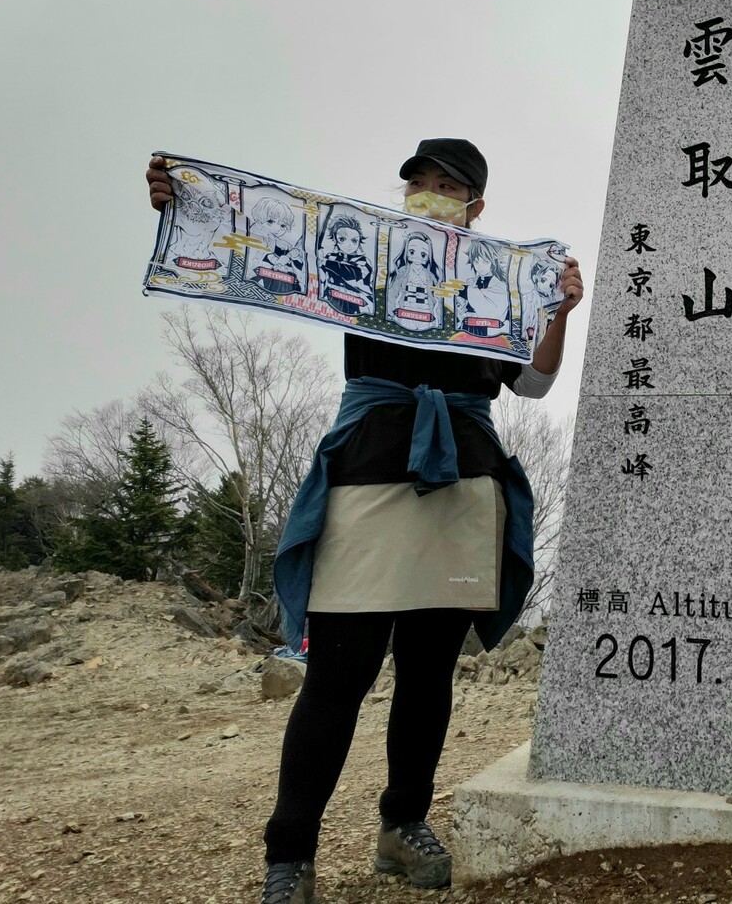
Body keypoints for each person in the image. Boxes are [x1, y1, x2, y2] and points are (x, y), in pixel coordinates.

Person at [145, 138, 583, 903]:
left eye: (447, 184)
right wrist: (186, 200)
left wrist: (559, 308)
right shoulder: (366, 252)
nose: (429, 194)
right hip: (369, 471)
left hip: (464, 481)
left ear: (477, 204)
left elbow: (537, 383)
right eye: (418, 182)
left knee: (427, 675)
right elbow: (253, 238)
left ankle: (402, 825)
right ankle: (289, 856)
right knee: (338, 674)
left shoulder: (504, 278)